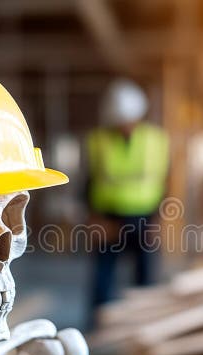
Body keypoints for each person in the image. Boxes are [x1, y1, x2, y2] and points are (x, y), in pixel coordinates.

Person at [85, 79, 169, 330]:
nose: (125, 126)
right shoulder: (98, 140)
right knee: (103, 275)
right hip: (108, 216)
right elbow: (90, 180)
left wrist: (159, 220)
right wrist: (95, 218)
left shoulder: (156, 139)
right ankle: (99, 324)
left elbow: (163, 180)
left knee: (145, 276)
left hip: (144, 217)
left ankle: (144, 325)